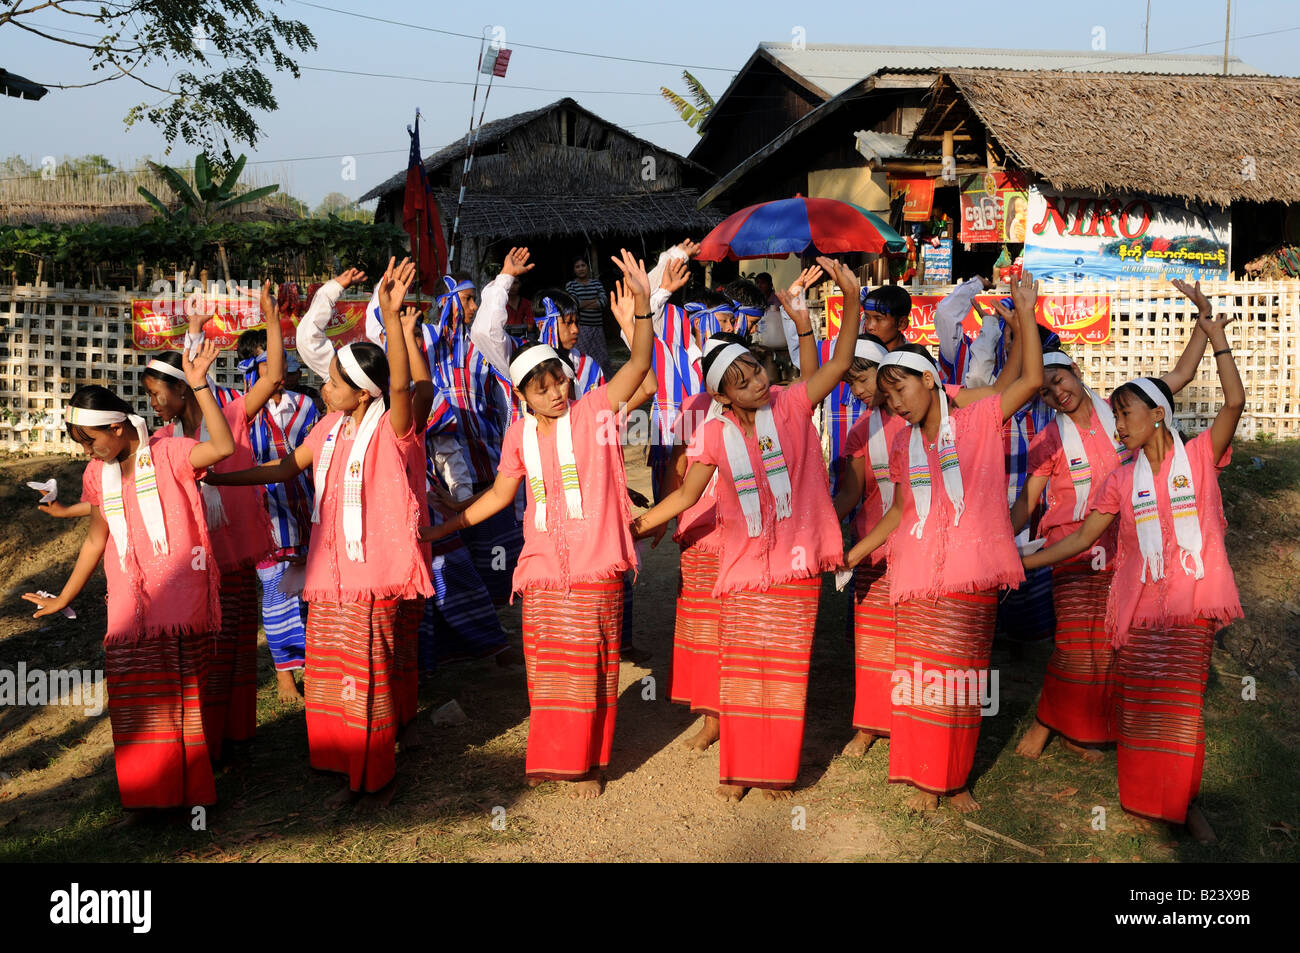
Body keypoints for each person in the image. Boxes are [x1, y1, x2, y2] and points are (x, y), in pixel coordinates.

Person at [423, 249, 658, 799]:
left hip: (597, 566)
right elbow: (501, 495)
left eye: (559, 381)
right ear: (522, 394)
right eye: (541, 387)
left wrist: (643, 308)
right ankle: (558, 755)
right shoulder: (517, 435)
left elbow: (640, 365)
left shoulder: (596, 409)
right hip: (544, 571)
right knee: (552, 669)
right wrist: (447, 524)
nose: (555, 393)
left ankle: (590, 763)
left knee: (593, 665)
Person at [206, 258, 435, 809]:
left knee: (368, 671)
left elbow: (403, 384)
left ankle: (373, 770)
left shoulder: (394, 426)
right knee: (335, 668)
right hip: (330, 573)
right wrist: (219, 474)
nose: (323, 387)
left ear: (361, 393)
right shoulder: (329, 425)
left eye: (333, 382)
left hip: (372, 575)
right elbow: (286, 468)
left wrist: (389, 317)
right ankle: (339, 758)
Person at [632, 256, 861, 801]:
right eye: (740, 381)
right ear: (723, 396)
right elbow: (687, 496)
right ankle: (738, 771)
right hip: (742, 571)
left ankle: (775, 770)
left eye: (755, 370)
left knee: (784, 676)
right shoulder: (712, 434)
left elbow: (840, 360)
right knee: (742, 673)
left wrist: (845, 303)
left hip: (797, 568)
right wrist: (636, 525)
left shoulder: (794, 404)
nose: (755, 382)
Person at [1022, 283, 1241, 843]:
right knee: (1126, 685)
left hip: (1189, 599)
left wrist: (1214, 339)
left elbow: (1230, 402)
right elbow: (1079, 533)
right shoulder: (1116, 474)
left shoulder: (1197, 456)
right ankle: (1139, 790)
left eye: (1127, 417)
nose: (1119, 427)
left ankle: (1182, 800)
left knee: (1181, 703)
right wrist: (1027, 560)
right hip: (1136, 594)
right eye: (1116, 417)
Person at [844, 270, 1046, 813]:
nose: (898, 404)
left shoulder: (978, 420)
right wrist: (855, 554)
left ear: (930, 380)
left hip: (971, 572)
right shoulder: (907, 443)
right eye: (888, 397)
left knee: (961, 678)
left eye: (901, 389)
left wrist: (1025, 313)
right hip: (917, 573)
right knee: (919, 676)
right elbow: (901, 509)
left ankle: (952, 780)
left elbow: (1027, 384)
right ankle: (920, 773)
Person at [23, 343, 234, 810]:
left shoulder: (172, 452)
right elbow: (97, 540)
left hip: (179, 604)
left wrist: (199, 383)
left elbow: (223, 447)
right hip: (127, 607)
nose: (86, 450)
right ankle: (148, 799)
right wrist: (63, 597)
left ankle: (189, 799)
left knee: (181, 703)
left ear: (117, 427)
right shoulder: (100, 475)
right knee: (137, 704)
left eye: (89, 440)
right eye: (80, 442)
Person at [1011, 285, 1209, 761]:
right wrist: (999, 542)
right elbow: (1028, 500)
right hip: (1072, 549)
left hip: (1124, 547)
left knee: (1115, 643)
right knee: (1076, 646)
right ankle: (1049, 721)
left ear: (1076, 373)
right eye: (1046, 389)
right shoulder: (1047, 439)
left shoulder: (1123, 412)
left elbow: (1180, 375)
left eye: (1061, 380)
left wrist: (1204, 319)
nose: (1058, 393)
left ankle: (1090, 730)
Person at [145, 301, 279, 758]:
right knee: (212, 654)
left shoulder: (234, 417)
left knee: (239, 646)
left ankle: (238, 732)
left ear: (183, 393)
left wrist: (274, 320)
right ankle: (211, 739)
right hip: (201, 567)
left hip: (236, 557)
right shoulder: (161, 444)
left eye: (156, 394)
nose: (152, 403)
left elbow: (273, 376)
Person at [234, 285, 320, 704]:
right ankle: (285, 675)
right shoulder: (238, 412)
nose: (282, 366)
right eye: (272, 357)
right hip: (265, 517)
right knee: (277, 591)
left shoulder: (307, 406)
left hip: (305, 508)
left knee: (306, 587)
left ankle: (314, 660)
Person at [831, 334, 903, 757]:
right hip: (874, 549)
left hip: (920, 545)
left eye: (861, 381)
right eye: (851, 385)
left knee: (914, 639)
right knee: (873, 640)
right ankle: (870, 724)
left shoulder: (929, 416)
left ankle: (909, 719)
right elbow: (851, 493)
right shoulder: (860, 432)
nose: (856, 391)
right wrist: (823, 526)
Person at [566, 256, 611, 380]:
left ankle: (606, 385)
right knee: (582, 358)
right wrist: (594, 301)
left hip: (597, 327)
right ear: (574, 270)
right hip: (581, 328)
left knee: (603, 359)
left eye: (583, 265)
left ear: (588, 267)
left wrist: (583, 303)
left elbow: (603, 302)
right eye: (577, 266)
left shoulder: (597, 283)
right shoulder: (571, 285)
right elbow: (574, 304)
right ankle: (584, 383)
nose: (581, 269)